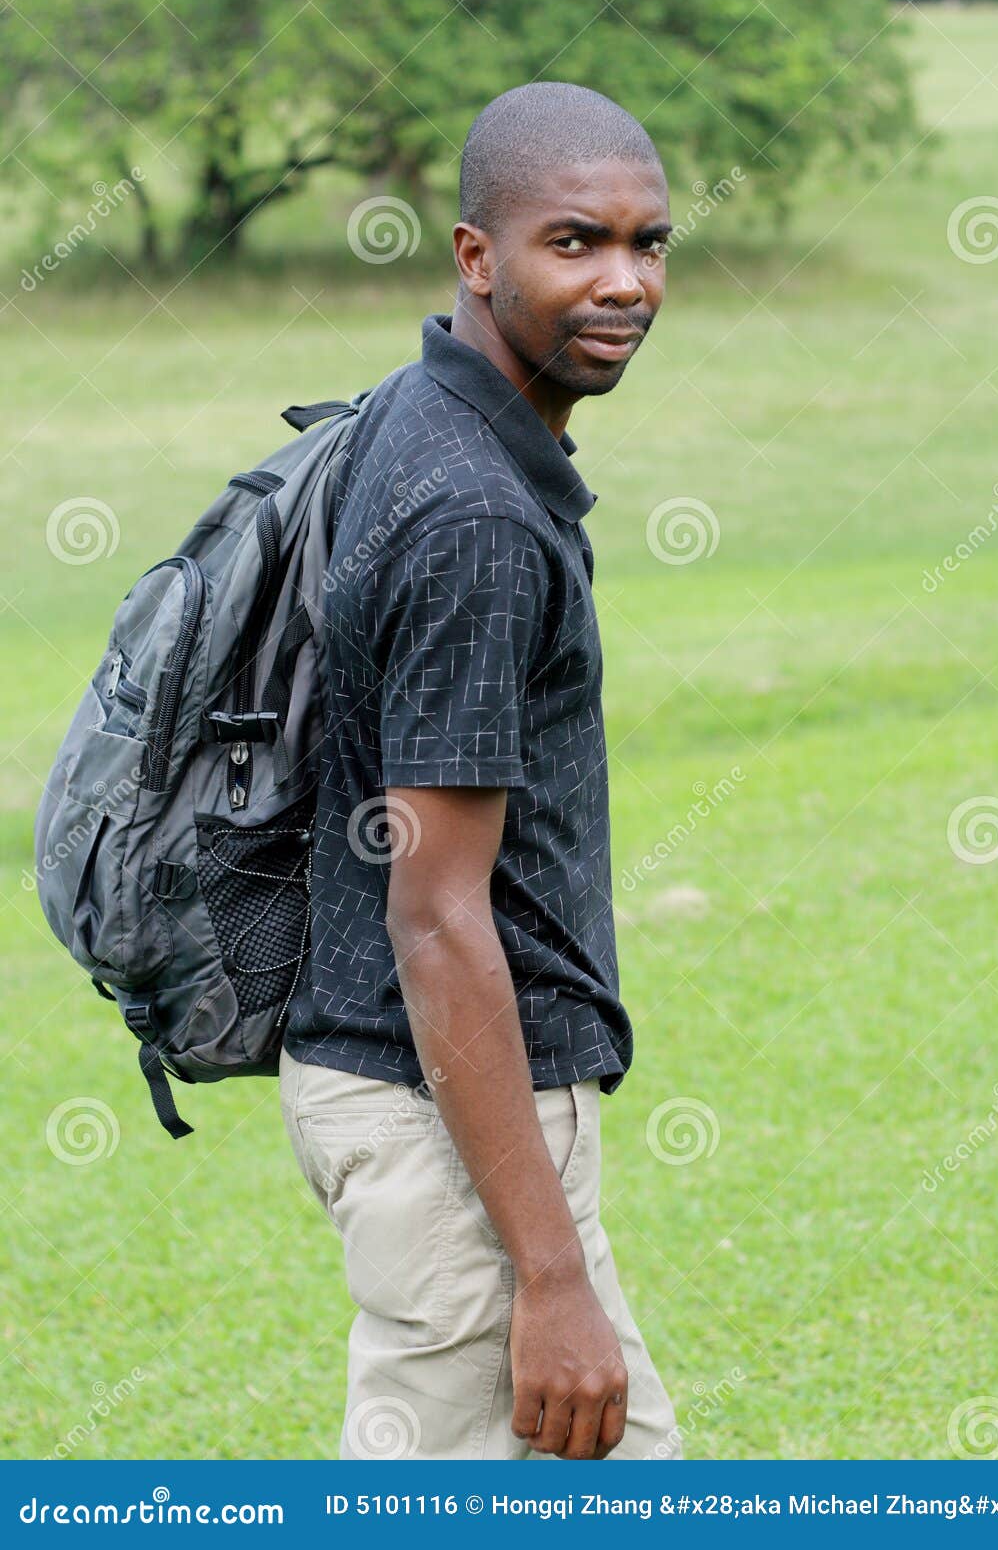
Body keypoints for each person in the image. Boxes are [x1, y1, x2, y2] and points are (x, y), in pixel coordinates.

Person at [280, 81, 681, 1461]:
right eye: (575, 242)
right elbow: (436, 909)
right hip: (443, 1112)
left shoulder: (425, 411)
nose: (625, 281)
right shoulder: (475, 518)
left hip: (421, 1096)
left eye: (649, 241)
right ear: (476, 257)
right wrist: (551, 1276)